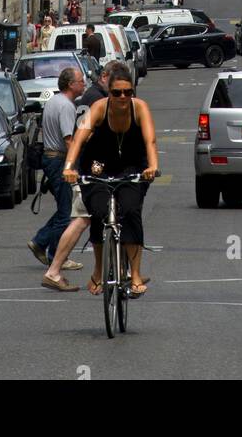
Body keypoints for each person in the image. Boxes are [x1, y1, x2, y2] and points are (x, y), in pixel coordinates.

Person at [46, 63, 159, 297]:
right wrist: (69, 167)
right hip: (99, 166)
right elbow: (78, 140)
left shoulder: (140, 108)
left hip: (132, 167)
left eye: (128, 92)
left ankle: (135, 274)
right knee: (97, 213)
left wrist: (153, 166)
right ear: (109, 92)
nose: (122, 97)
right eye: (117, 92)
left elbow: (150, 141)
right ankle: (98, 270)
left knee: (130, 211)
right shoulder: (98, 108)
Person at [28, 66, 86, 273]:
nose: (84, 84)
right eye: (81, 81)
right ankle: (56, 255)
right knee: (66, 212)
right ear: (71, 84)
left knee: (65, 207)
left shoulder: (53, 101)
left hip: (50, 159)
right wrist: (74, 166)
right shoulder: (67, 107)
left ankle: (40, 241)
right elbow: (69, 140)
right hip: (60, 161)